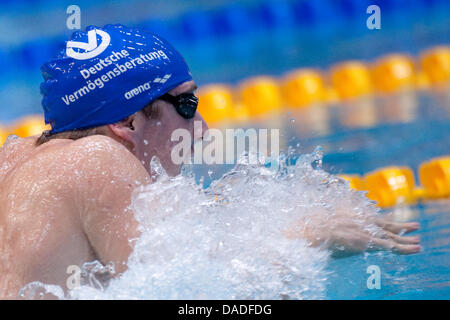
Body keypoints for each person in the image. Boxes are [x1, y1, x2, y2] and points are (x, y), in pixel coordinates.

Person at [0, 25, 420, 299]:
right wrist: (309, 235)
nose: (202, 128)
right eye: (186, 104)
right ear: (128, 122)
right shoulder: (98, 160)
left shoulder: (13, 157)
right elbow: (196, 299)